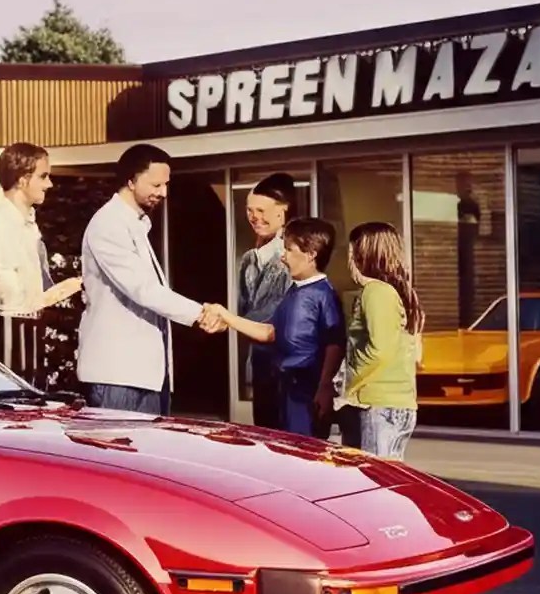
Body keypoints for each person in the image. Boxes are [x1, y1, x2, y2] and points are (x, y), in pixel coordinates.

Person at [77, 143, 225, 416]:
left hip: (142, 374)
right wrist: (199, 313)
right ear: (131, 181)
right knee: (118, 456)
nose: (163, 193)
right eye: (156, 185)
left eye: (166, 185)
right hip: (118, 375)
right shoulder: (109, 224)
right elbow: (143, 290)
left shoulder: (135, 223)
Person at [212, 218, 345, 438]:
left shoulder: (323, 295)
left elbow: (335, 344)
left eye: (289, 250)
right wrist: (227, 317)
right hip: (284, 389)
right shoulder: (294, 292)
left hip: (305, 393)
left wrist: (324, 387)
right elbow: (269, 332)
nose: (283, 257)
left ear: (311, 254)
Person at [0, 142, 81, 387]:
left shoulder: (26, 225)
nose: (49, 184)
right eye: (43, 176)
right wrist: (47, 297)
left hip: (25, 327)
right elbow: (7, 292)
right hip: (7, 328)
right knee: (12, 405)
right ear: (22, 180)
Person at [338, 221, 424, 460]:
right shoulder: (399, 292)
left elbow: (379, 350)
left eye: (351, 250)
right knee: (387, 485)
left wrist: (349, 385)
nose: (349, 259)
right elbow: (416, 352)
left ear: (364, 254)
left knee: (373, 486)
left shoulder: (376, 292)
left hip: (379, 405)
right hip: (395, 404)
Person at [237, 174, 297, 428]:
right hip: (261, 363)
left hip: (288, 367)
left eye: (261, 210)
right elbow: (245, 311)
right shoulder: (249, 259)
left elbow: (266, 316)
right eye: (250, 210)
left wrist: (225, 318)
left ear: (282, 213)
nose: (254, 217)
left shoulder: (291, 257)